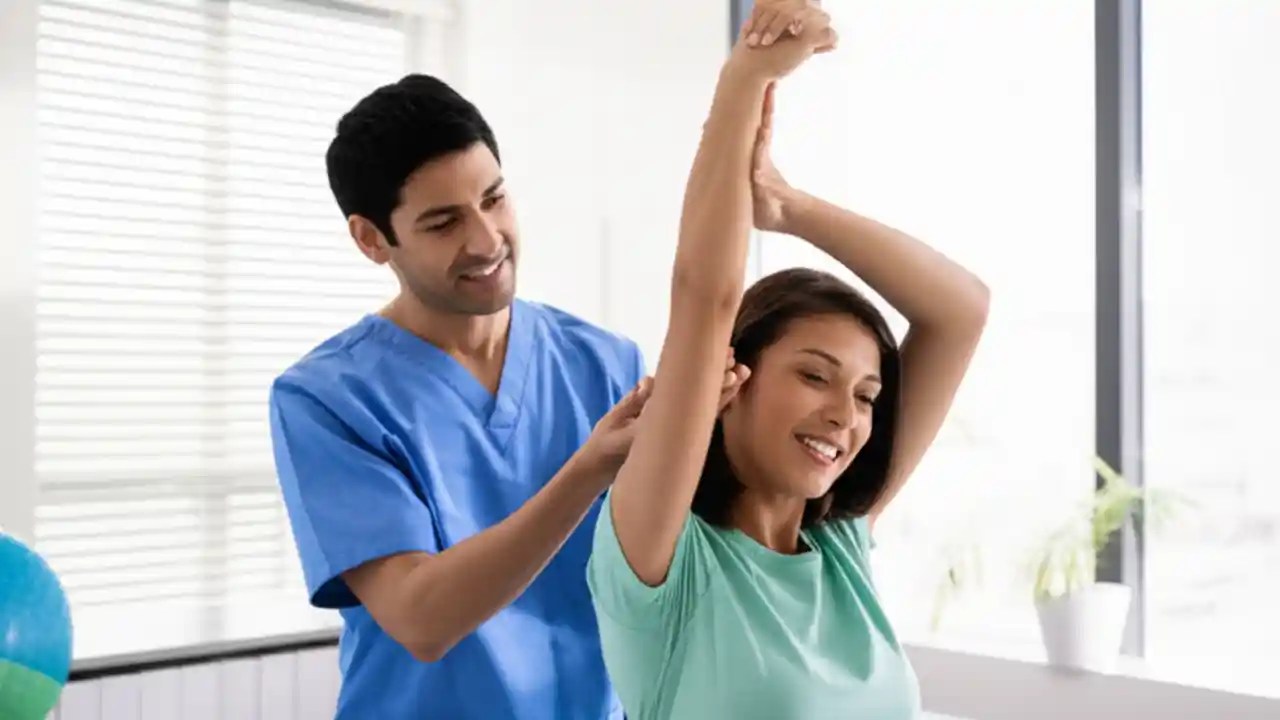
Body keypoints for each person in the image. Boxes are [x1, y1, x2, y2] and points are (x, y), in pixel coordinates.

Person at [268, 75, 741, 719]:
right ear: (372, 239)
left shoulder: (605, 362)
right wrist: (589, 468)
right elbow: (421, 618)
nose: (487, 240)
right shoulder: (327, 399)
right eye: (443, 222)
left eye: (493, 199)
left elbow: (669, 573)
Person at [587, 5, 991, 720]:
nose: (846, 415)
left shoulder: (841, 548)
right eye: (814, 375)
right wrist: (747, 76)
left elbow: (960, 310)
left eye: (867, 395)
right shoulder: (664, 557)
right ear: (732, 379)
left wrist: (786, 204)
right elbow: (704, 296)